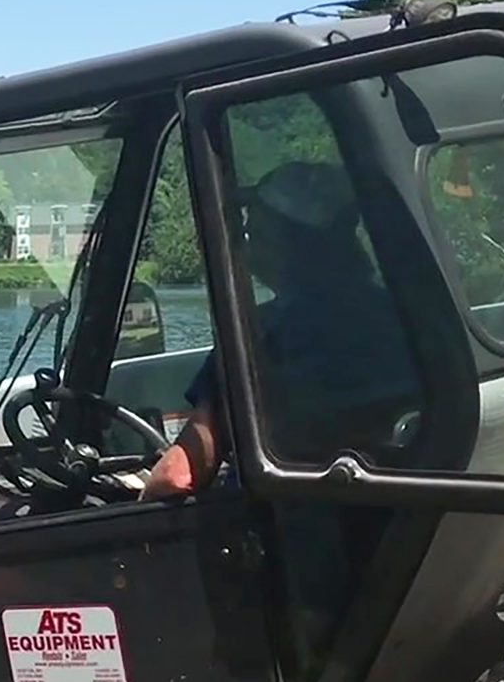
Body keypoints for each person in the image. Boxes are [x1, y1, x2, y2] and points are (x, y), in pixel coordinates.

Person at [141, 158, 424, 500]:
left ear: (287, 244)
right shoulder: (405, 318)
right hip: (376, 505)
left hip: (279, 517)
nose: (245, 242)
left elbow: (177, 478)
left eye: (255, 231)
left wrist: (141, 496)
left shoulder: (258, 335)